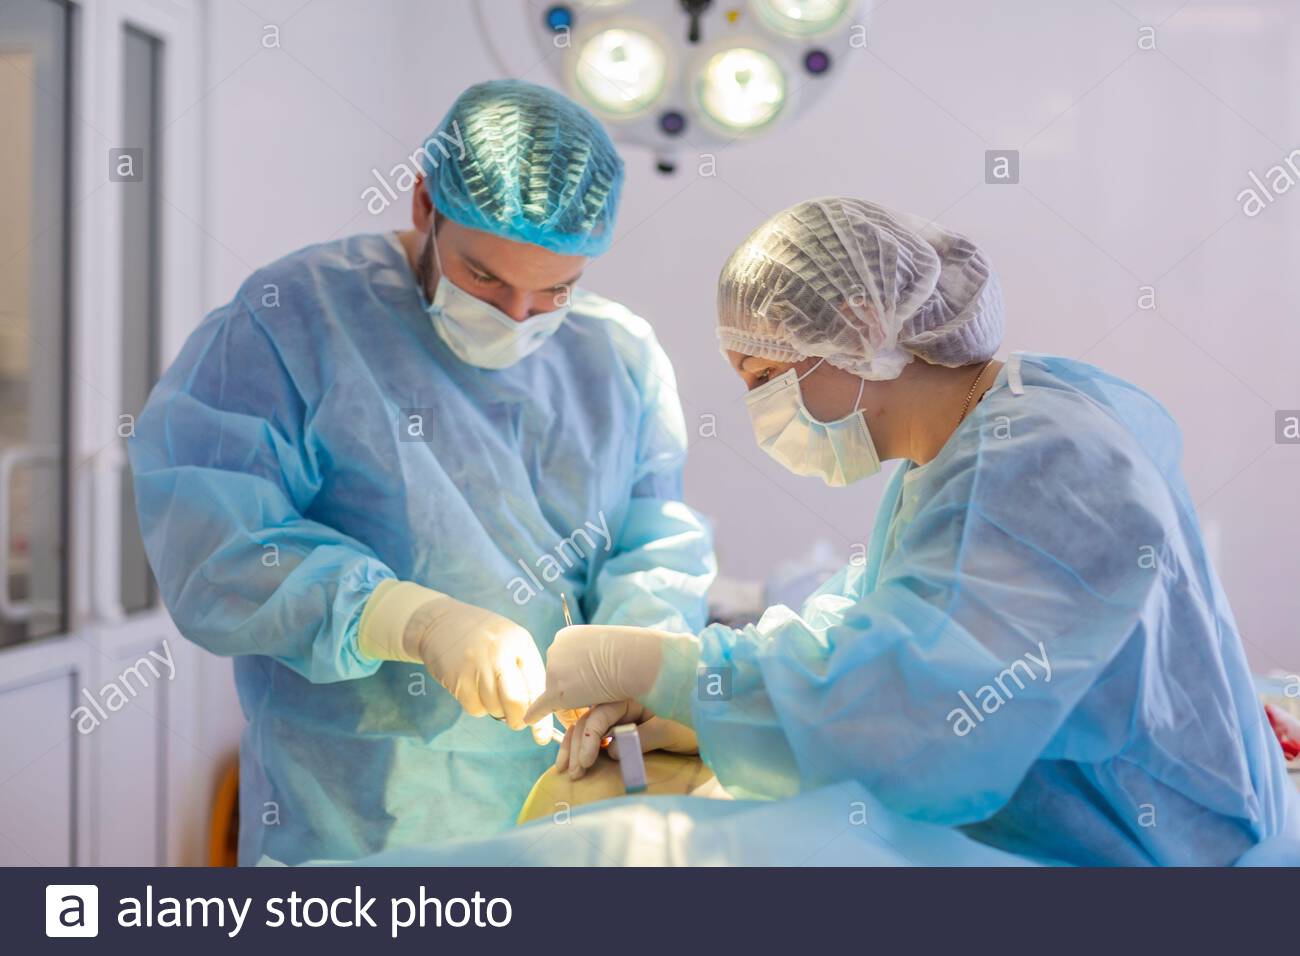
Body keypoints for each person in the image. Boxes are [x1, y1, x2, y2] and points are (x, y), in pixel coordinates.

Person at [525, 197, 1298, 866]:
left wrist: (672, 669)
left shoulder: (1042, 460)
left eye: (763, 380)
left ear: (860, 326)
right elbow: (872, 626)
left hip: (1145, 847)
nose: (761, 412)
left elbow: (911, 702)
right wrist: (706, 710)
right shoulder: (964, 444)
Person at [130, 80, 715, 865]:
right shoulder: (296, 320)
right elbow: (216, 539)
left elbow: (653, 539)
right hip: (353, 812)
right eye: (485, 279)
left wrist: (631, 659)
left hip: (559, 804)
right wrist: (411, 619)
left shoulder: (618, 358)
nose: (517, 315)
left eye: (554, 291)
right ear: (421, 204)